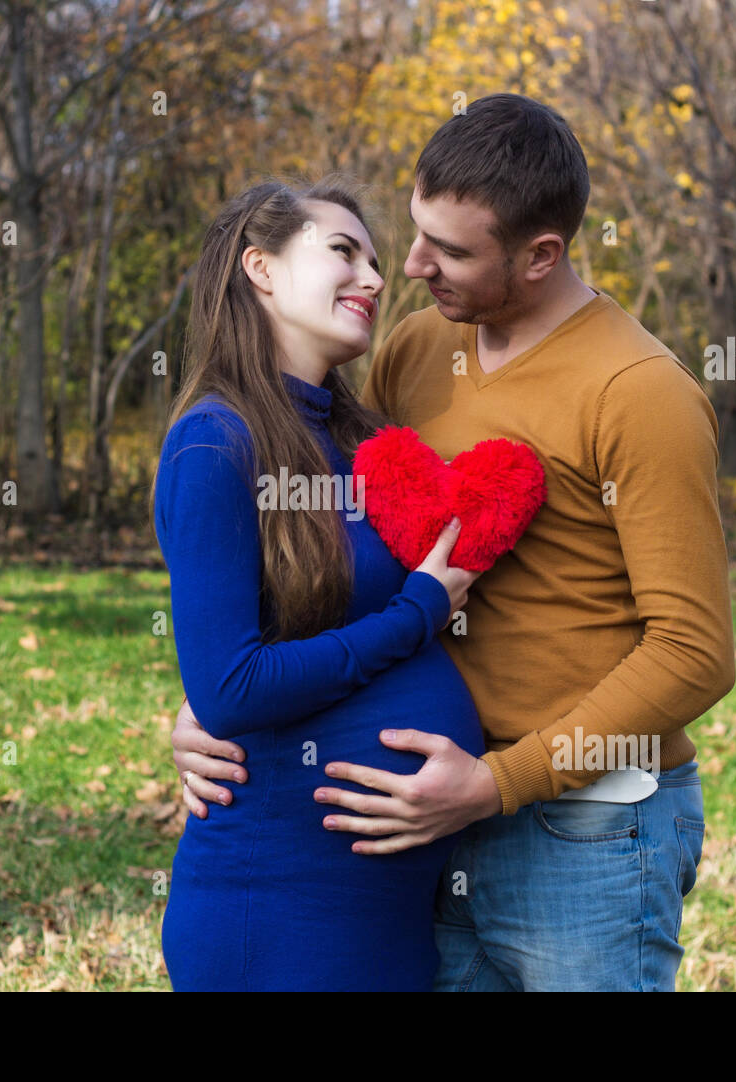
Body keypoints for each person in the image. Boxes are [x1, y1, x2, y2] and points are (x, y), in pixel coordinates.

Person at [173, 95, 736, 991]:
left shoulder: (640, 393)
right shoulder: (417, 348)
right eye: (415, 230)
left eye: (453, 250)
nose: (410, 263)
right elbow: (337, 564)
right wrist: (211, 705)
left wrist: (500, 781)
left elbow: (695, 654)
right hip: (421, 829)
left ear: (541, 254)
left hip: (583, 830)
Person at [150, 176, 489, 991]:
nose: (375, 278)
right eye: (344, 251)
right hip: (278, 909)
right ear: (259, 268)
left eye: (375, 260)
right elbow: (232, 686)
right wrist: (420, 613)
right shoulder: (213, 444)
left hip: (390, 917)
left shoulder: (363, 438)